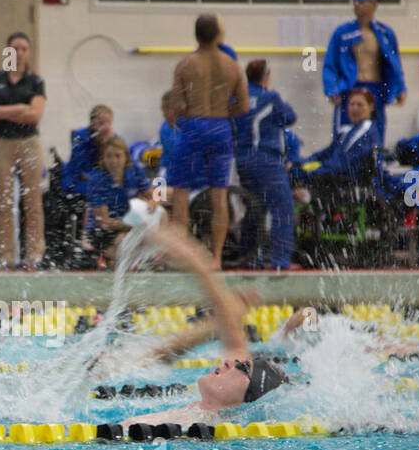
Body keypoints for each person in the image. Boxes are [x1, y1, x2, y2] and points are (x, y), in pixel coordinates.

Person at [121, 224, 286, 427]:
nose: (229, 362)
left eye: (242, 367)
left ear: (249, 397)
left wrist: (193, 260)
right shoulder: (195, 413)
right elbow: (231, 334)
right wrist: (194, 262)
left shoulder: (201, 425)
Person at [168, 14, 250, 266]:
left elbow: (174, 106)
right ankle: (215, 257)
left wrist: (191, 111)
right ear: (218, 35)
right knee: (219, 195)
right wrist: (223, 113)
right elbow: (244, 106)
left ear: (196, 35)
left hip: (194, 125)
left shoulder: (185, 65)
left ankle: (182, 257)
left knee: (181, 193)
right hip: (220, 127)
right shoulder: (232, 65)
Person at [0, 32, 46, 271]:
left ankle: (34, 255)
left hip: (29, 143)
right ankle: (6, 256)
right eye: (14, 48)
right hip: (1, 143)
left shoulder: (35, 82)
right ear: (7, 52)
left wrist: (4, 110)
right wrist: (20, 108)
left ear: (28, 53)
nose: (19, 53)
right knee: (4, 201)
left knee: (33, 200)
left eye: (23, 49)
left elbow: (36, 115)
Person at [232, 60, 298, 270]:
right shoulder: (270, 97)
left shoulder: (237, 98)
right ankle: (280, 260)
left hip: (241, 159)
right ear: (266, 77)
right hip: (266, 158)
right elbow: (290, 117)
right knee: (283, 207)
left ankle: (249, 255)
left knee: (255, 207)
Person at [322, 0, 406, 145]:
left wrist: (400, 88)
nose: (356, 4)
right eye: (354, 0)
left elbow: (395, 64)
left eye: (361, 0)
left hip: (375, 89)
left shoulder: (385, 33)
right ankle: (342, 165)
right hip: (350, 87)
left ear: (374, 4)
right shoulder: (342, 33)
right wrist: (331, 89)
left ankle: (375, 164)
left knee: (376, 131)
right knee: (344, 132)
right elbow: (330, 64)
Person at [83, 136, 155, 265]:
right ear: (103, 159)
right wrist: (135, 226)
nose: (113, 161)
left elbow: (152, 195)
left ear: (125, 157)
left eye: (117, 156)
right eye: (109, 156)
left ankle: (153, 256)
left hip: (126, 223)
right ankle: (106, 254)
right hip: (102, 230)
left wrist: (153, 203)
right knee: (123, 241)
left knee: (162, 214)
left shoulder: (135, 171)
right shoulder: (97, 181)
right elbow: (105, 223)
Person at [300, 88, 382, 184]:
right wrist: (300, 164)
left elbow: (344, 164)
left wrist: (307, 173)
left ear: (371, 107)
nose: (354, 108)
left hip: (346, 183)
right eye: (351, 104)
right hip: (333, 176)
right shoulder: (346, 131)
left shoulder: (367, 132)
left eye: (360, 105)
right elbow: (326, 153)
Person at [63, 104, 115, 196]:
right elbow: (79, 171)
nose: (106, 128)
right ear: (92, 125)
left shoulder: (115, 141)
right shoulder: (81, 138)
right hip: (79, 182)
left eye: (109, 123)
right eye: (101, 123)